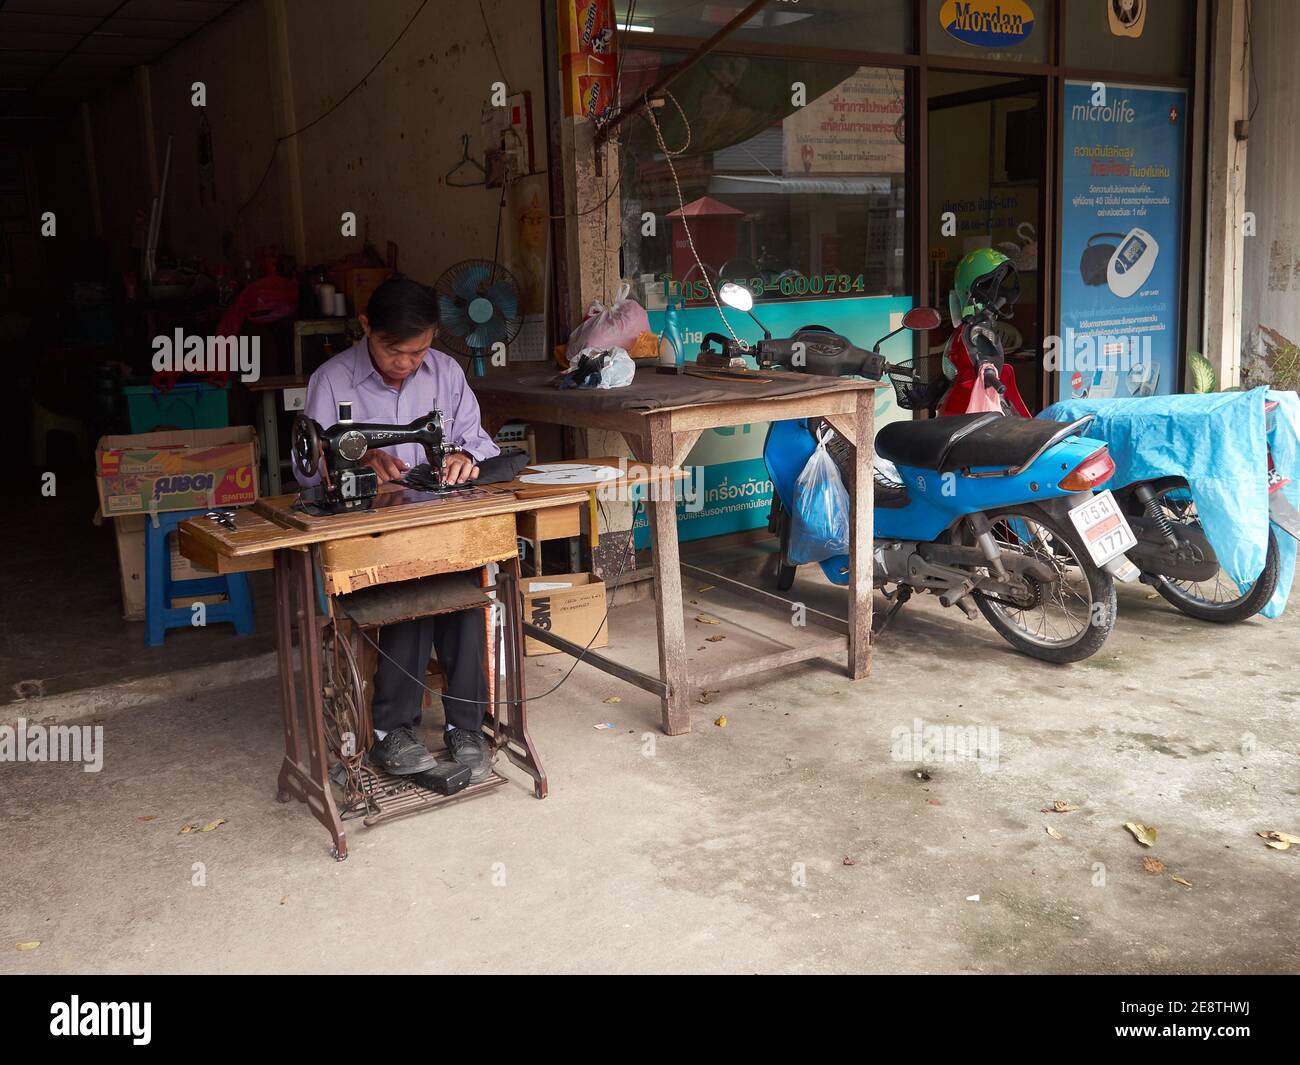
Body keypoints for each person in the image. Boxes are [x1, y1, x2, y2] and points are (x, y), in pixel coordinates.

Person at [295, 277, 499, 782]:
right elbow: (305, 469)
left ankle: (467, 725)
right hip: (366, 535)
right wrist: (359, 456)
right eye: (393, 350)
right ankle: (392, 731)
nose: (406, 362)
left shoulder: (446, 374)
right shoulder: (332, 381)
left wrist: (462, 456)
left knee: (469, 592)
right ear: (366, 328)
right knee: (414, 588)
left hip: (436, 520)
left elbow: (479, 441)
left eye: (419, 350)